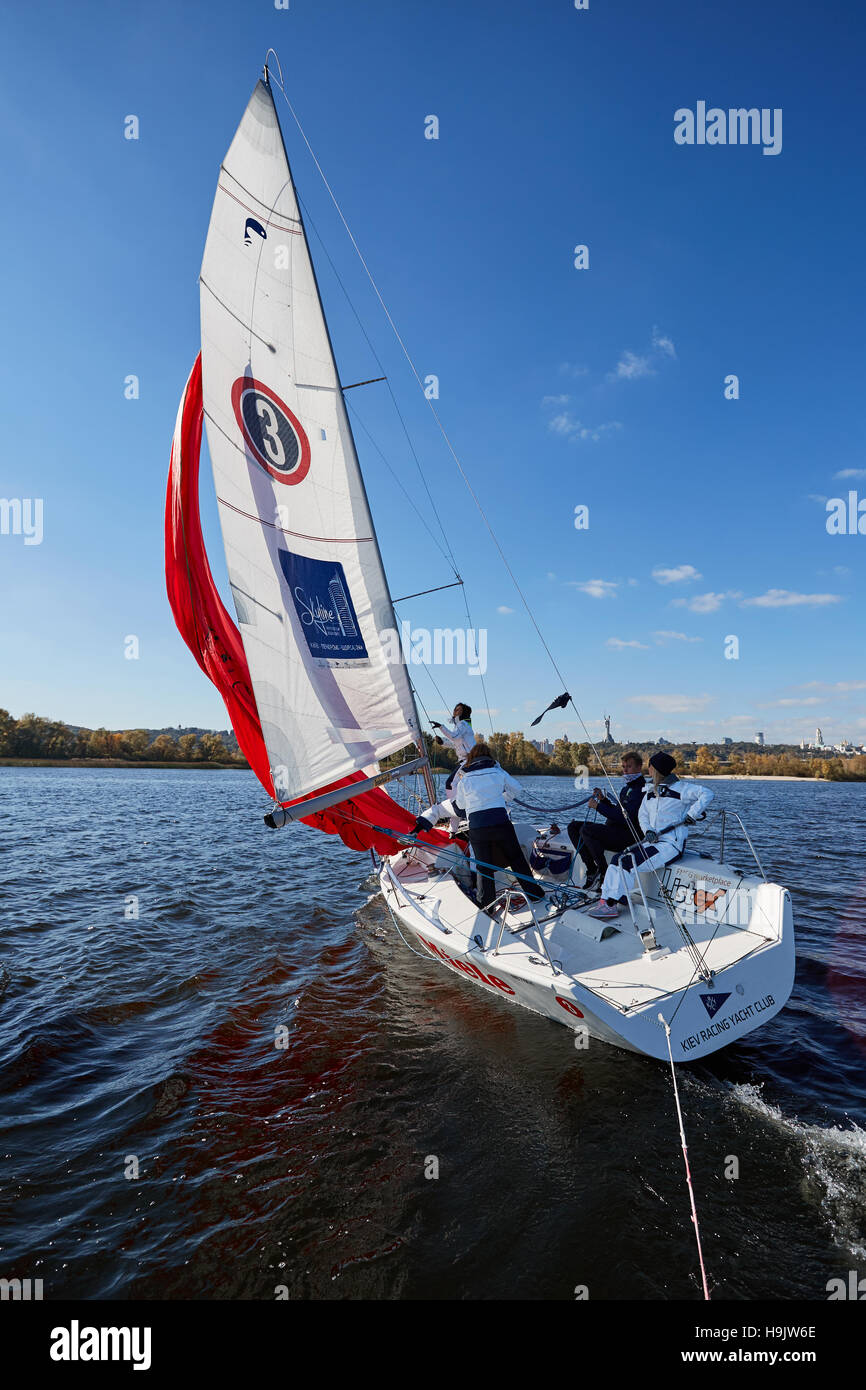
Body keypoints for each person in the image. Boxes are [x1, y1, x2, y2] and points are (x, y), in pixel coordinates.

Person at [588, 752, 714, 920]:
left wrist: (692, 814)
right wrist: (648, 831)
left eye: (650, 766)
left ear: (656, 769)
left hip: (670, 845)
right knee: (617, 858)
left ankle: (610, 905)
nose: (648, 769)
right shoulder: (649, 791)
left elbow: (707, 794)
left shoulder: (681, 789)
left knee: (626, 862)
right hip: (652, 841)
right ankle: (613, 898)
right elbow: (643, 815)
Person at [448, 742, 545, 912]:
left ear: (471, 758)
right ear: (488, 756)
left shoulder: (465, 779)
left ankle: (487, 905)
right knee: (516, 859)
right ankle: (535, 895)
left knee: (483, 866)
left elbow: (461, 805)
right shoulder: (497, 771)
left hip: (478, 825)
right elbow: (517, 789)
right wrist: (502, 798)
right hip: (500, 821)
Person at [564, 751, 646, 889]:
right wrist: (603, 800)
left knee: (587, 831)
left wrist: (598, 806)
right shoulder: (627, 789)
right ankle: (592, 869)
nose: (625, 770)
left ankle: (604, 872)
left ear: (639, 767)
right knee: (573, 827)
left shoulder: (641, 790)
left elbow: (625, 817)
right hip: (616, 830)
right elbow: (617, 812)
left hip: (628, 837)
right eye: (623, 767)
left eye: (629, 767)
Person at [431, 703, 475, 792]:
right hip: (466, 762)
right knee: (459, 785)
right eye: (455, 709)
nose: (455, 711)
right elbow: (455, 743)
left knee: (450, 784)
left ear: (463, 713)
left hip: (469, 761)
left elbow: (453, 737)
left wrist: (441, 726)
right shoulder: (460, 725)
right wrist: (442, 742)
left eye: (458, 710)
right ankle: (461, 803)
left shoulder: (463, 724)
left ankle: (456, 805)